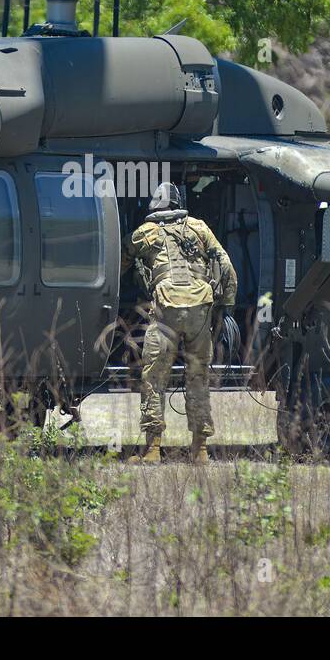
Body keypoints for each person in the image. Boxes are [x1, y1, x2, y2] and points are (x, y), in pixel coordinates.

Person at [121, 182, 237, 464]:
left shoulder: (146, 233)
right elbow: (225, 265)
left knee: (154, 378)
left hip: (166, 311)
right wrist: (227, 306)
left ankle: (152, 450)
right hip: (200, 310)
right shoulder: (198, 227)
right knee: (198, 379)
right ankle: (200, 451)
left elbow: (119, 260)